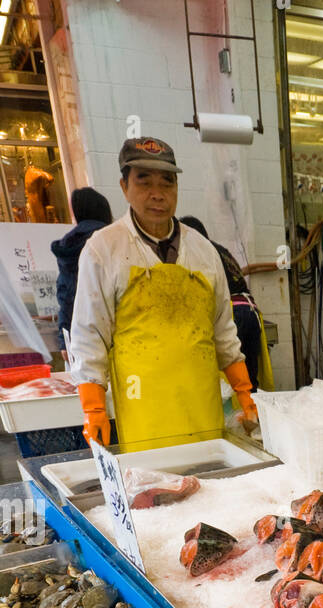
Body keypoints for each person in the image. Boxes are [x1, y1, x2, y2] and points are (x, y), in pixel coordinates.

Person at [70, 136, 257, 453]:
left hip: (203, 406)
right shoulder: (103, 249)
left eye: (167, 183)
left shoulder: (203, 250)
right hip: (144, 408)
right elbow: (89, 335)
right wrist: (94, 409)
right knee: (155, 491)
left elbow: (224, 329)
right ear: (124, 185)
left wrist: (244, 391)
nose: (157, 194)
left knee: (214, 487)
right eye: (144, 181)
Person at [178, 215, 268, 392]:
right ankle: (253, 415)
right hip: (251, 310)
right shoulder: (220, 250)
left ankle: (238, 417)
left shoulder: (199, 252)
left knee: (228, 382)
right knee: (249, 379)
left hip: (233, 313)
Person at [51, 188, 113, 343]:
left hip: (81, 332)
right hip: (115, 329)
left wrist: (64, 337)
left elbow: (65, 295)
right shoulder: (112, 238)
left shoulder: (67, 245)